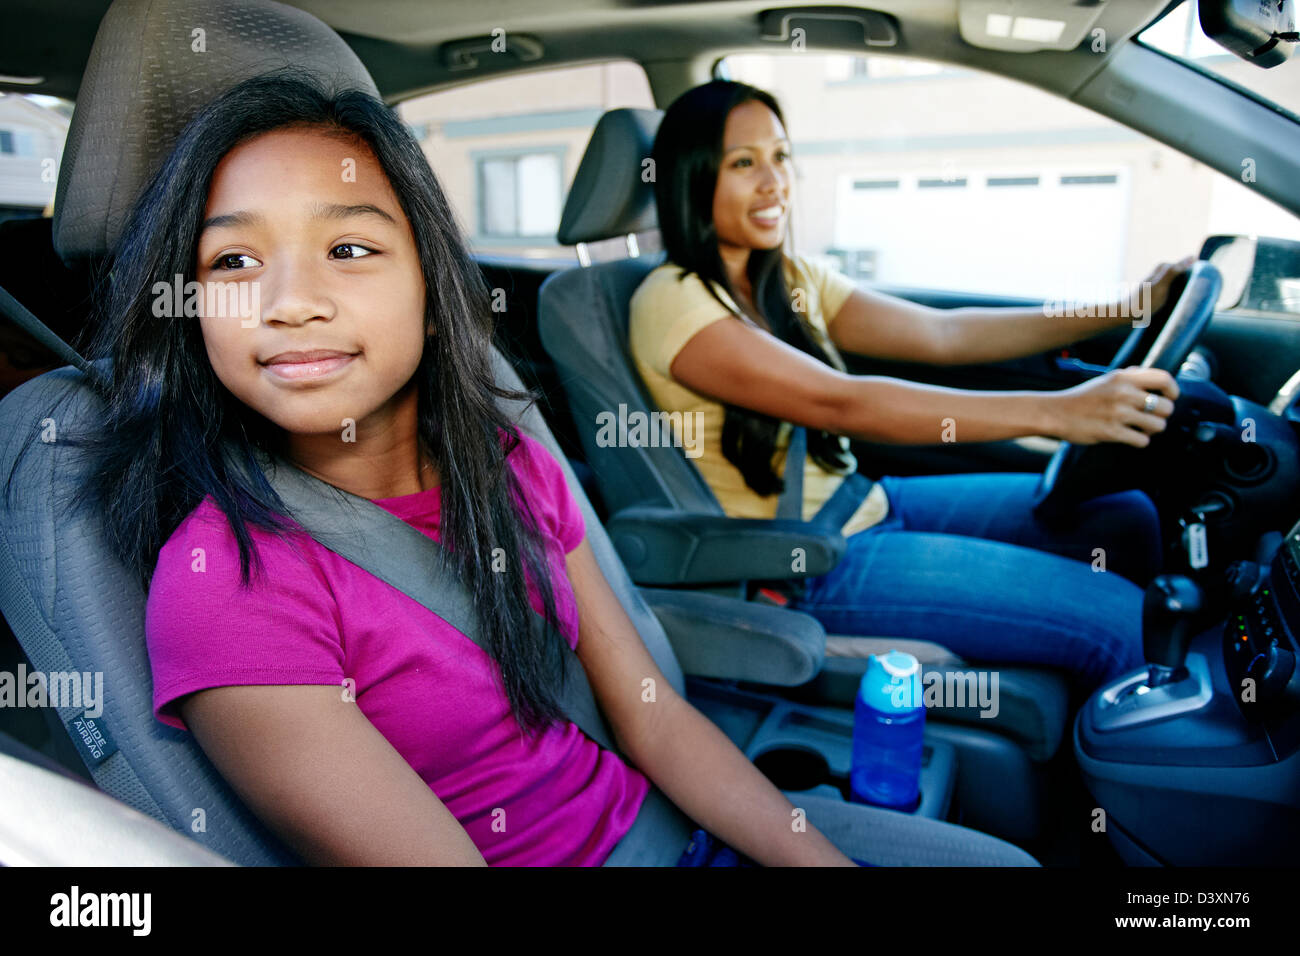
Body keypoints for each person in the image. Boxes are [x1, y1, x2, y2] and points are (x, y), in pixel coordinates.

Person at [28, 69, 878, 867]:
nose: (288, 301)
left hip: (675, 829)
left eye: (350, 249)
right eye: (233, 262)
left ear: (436, 296)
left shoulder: (509, 465)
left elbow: (652, 720)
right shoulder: (229, 587)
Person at [630, 79, 1198, 691]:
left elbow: (945, 335)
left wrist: (1127, 306)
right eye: (744, 164)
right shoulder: (671, 302)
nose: (775, 183)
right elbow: (840, 401)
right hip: (804, 561)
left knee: (1123, 518)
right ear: (691, 178)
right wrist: (1059, 412)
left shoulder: (787, 278)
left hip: (866, 504)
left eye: (781, 156)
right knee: (1124, 625)